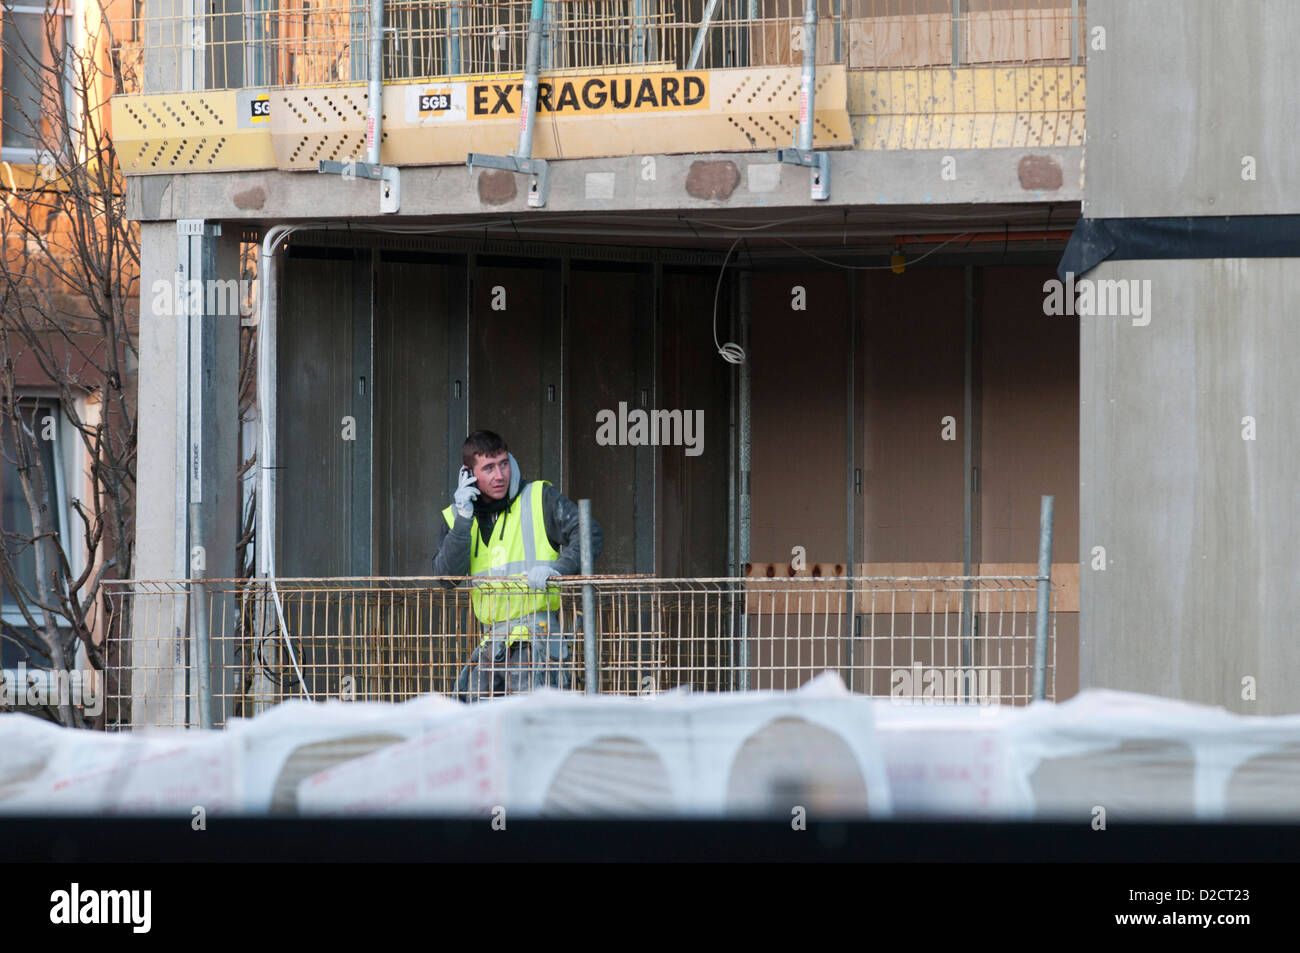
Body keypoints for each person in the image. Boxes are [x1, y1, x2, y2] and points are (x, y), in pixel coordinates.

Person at [433, 430, 603, 701]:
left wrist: (558, 569)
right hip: (492, 643)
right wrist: (464, 519)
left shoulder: (538, 498)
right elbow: (446, 579)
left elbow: (589, 533)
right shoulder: (457, 515)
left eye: (503, 463)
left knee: (527, 719)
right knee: (471, 714)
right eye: (488, 468)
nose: (500, 475)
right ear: (469, 473)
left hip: (539, 640)